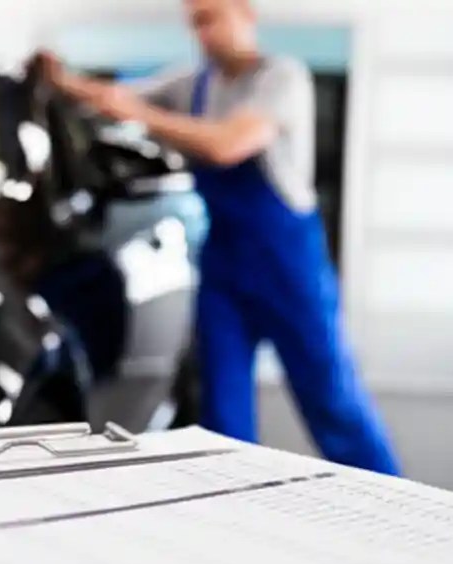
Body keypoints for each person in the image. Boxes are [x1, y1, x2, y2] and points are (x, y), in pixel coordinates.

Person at [40, 0, 401, 476]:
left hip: (287, 266)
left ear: (246, 15)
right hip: (224, 267)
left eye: (214, 16)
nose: (206, 31)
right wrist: (60, 80)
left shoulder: (280, 77)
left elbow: (227, 145)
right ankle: (229, 500)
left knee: (330, 396)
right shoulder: (192, 83)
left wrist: (141, 114)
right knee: (221, 409)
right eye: (197, 22)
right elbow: (114, 99)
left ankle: (386, 490)